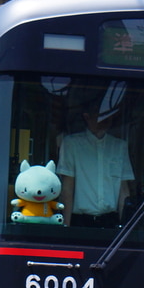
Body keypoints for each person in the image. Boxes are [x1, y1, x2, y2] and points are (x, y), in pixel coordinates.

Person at [58, 81, 135, 227]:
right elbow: (67, 187)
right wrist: (66, 227)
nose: (104, 120)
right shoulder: (71, 144)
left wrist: (124, 226)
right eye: (100, 115)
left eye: (108, 115)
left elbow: (123, 190)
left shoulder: (119, 146)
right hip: (80, 220)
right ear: (87, 117)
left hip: (110, 220)